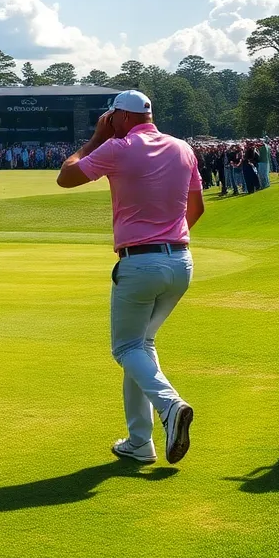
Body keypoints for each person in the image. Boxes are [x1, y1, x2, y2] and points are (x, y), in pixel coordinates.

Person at [56, 91, 203, 465]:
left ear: (120, 116)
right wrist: (169, 237)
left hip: (139, 262)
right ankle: (141, 441)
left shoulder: (117, 148)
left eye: (111, 117)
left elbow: (66, 176)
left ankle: (170, 406)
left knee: (125, 349)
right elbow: (196, 207)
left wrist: (95, 139)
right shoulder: (183, 148)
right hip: (181, 261)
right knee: (142, 346)